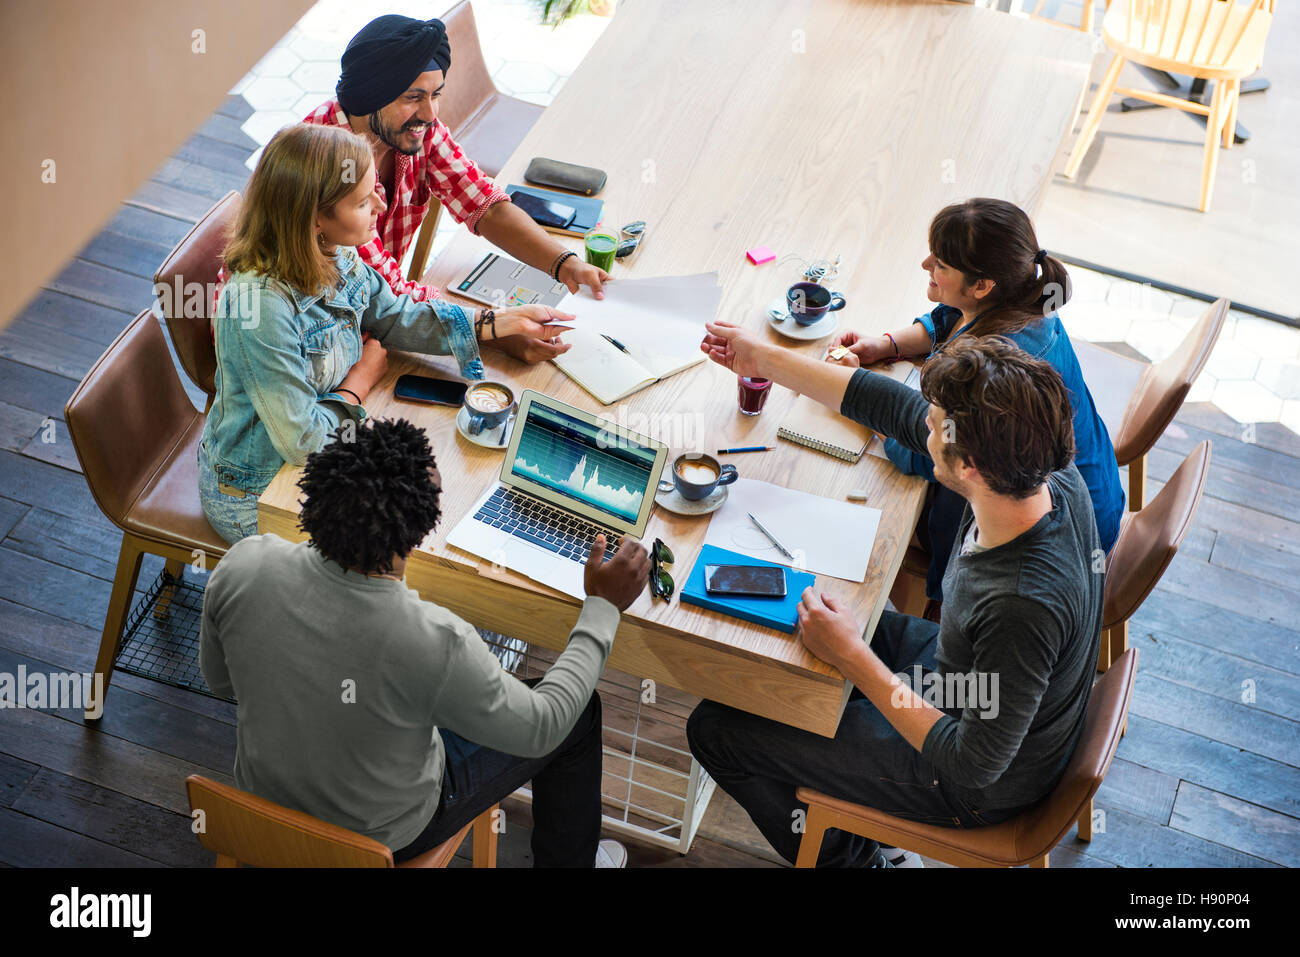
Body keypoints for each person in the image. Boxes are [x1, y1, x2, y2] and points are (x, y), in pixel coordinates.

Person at [689, 329, 1104, 867]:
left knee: (716, 731)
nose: (922, 430)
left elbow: (972, 763)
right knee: (821, 607)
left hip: (967, 777)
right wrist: (764, 357)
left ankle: (858, 862)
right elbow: (894, 407)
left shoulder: (1021, 605)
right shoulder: (1044, 470)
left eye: (933, 429)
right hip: (962, 678)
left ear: (969, 467)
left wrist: (855, 660)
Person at [199, 417, 651, 867]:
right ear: (420, 529)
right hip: (385, 837)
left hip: (257, 808)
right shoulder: (437, 640)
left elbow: (221, 684)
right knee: (579, 716)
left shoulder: (245, 564)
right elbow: (544, 726)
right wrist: (602, 606)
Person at [200, 123, 573, 544]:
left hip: (325, 453)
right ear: (315, 218)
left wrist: (493, 323)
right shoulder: (260, 307)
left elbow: (394, 314)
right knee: (413, 528)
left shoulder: (331, 250)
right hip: (257, 494)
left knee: (436, 496)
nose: (381, 204)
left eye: (374, 189)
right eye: (363, 201)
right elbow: (303, 442)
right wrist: (357, 386)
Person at [826, 198, 1123, 602]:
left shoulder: (998, 370)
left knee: (869, 527)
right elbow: (950, 319)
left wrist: (859, 395)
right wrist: (886, 345)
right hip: (1096, 493)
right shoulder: (1023, 300)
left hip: (1060, 540)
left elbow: (928, 456)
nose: (925, 264)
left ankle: (920, 609)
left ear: (982, 284)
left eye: (941, 264)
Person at [303, 13, 609, 364]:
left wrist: (565, 265)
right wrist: (497, 332)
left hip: (374, 319)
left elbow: (484, 204)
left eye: (436, 95)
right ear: (370, 94)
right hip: (320, 344)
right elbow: (389, 296)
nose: (431, 113)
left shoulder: (415, 131)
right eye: (413, 97)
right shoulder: (326, 165)